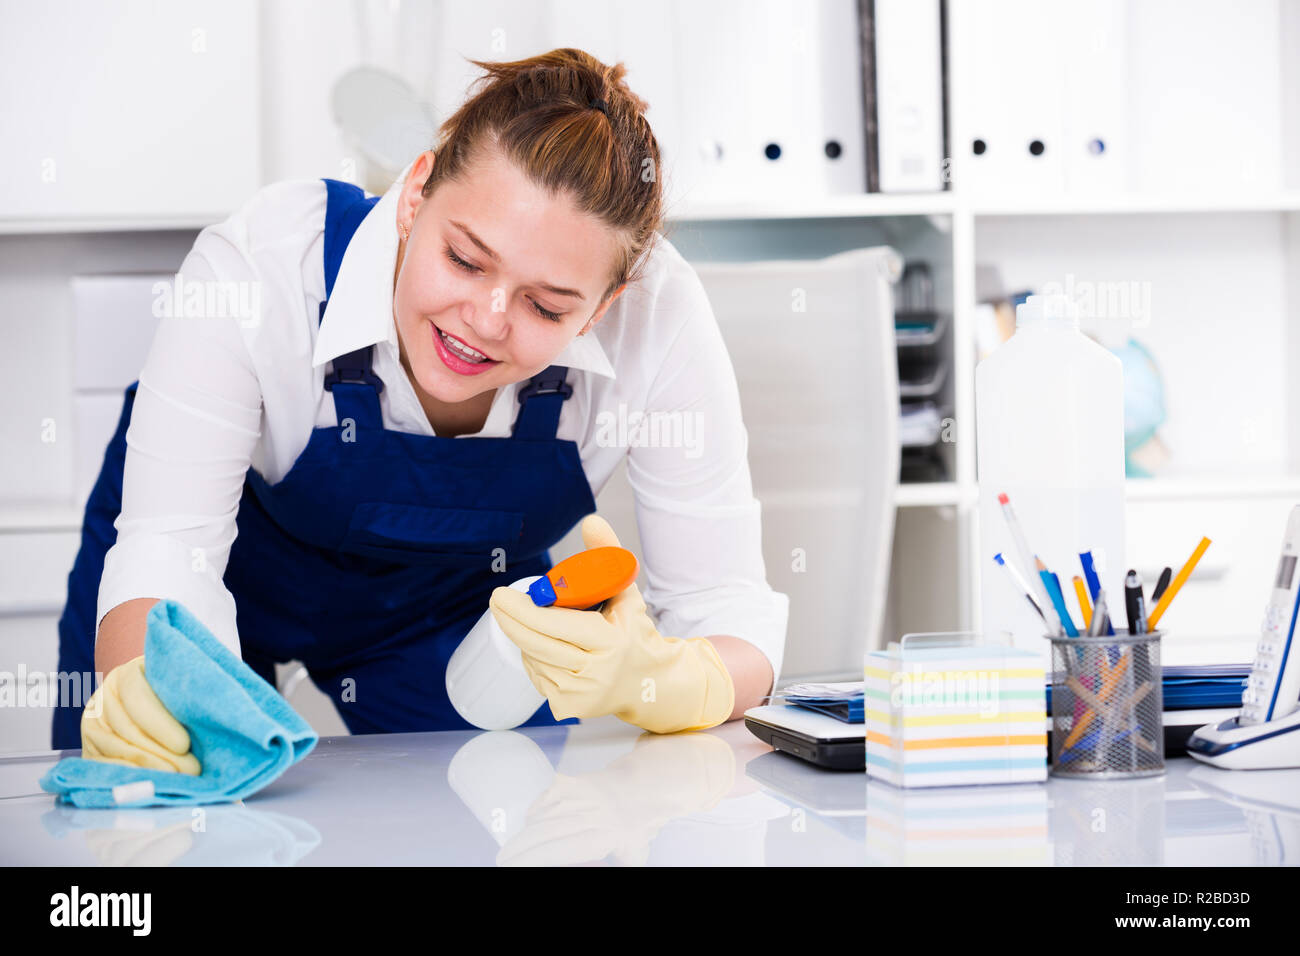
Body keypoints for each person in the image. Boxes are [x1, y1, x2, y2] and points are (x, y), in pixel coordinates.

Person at [53, 48, 788, 750]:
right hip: (212, 575)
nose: (487, 319)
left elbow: (728, 612)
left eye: (548, 308)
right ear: (415, 192)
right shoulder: (265, 267)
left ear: (602, 307)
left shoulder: (658, 320)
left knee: (511, 823)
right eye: (465, 259)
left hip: (449, 612)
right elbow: (169, 548)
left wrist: (664, 677)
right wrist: (150, 694)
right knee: (154, 812)